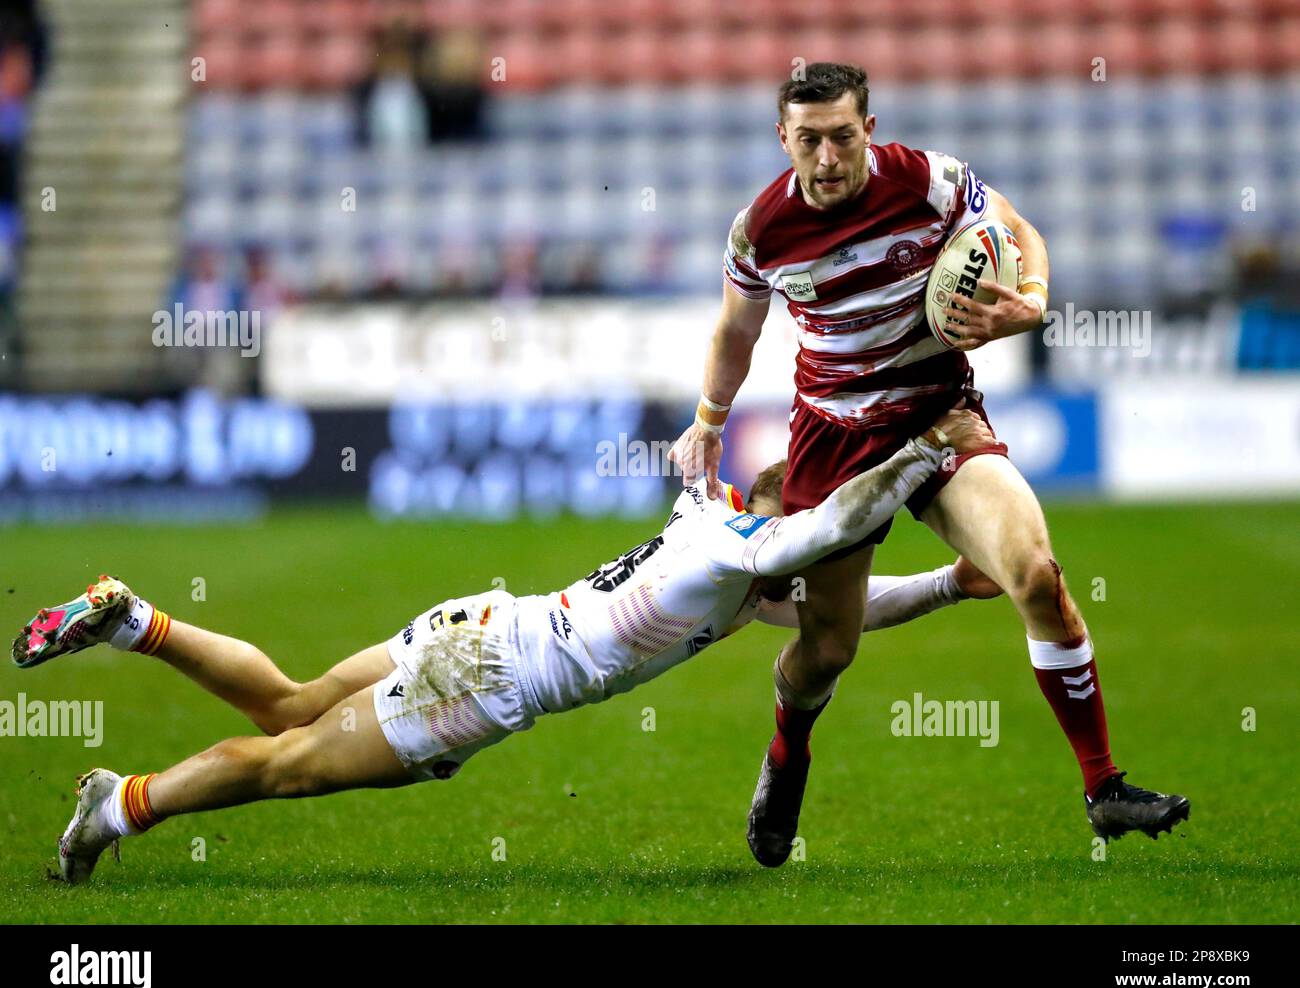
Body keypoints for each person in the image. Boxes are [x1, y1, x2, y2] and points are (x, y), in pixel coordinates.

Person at [13, 411, 998, 884]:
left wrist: (953, 584)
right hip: (487, 678)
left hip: (481, 622)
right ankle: (120, 806)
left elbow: (842, 611)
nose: (825, 578)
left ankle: (137, 620)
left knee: (289, 703)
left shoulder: (729, 549)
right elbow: (827, 537)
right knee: (287, 768)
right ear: (785, 510)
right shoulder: (745, 546)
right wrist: (917, 455)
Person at [667, 62, 1189, 867]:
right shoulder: (760, 230)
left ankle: (1104, 787)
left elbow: (1017, 228)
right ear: (784, 139)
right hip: (835, 444)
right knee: (828, 652)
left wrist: (1034, 297)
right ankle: (788, 752)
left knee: (1037, 576)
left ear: (868, 129)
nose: (830, 158)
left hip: (941, 417)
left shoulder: (929, 182)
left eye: (844, 136)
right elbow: (735, 333)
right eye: (810, 141)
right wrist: (709, 419)